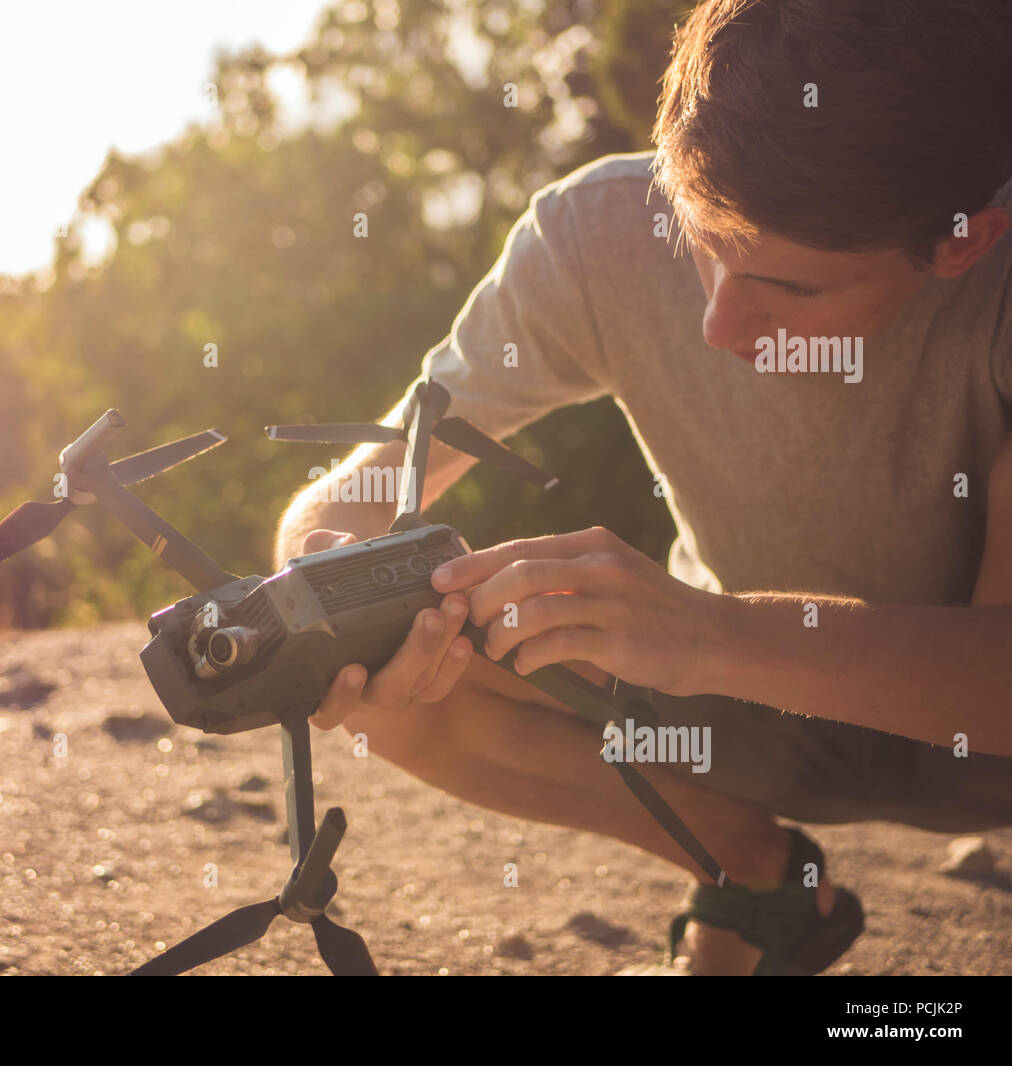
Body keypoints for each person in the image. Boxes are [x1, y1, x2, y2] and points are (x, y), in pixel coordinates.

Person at [272, 0, 1012, 975]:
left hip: (973, 744)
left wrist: (709, 632)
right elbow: (348, 494)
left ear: (961, 241)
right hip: (737, 709)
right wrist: (319, 580)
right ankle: (755, 877)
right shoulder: (603, 231)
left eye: (789, 289)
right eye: (705, 239)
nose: (717, 324)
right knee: (371, 662)